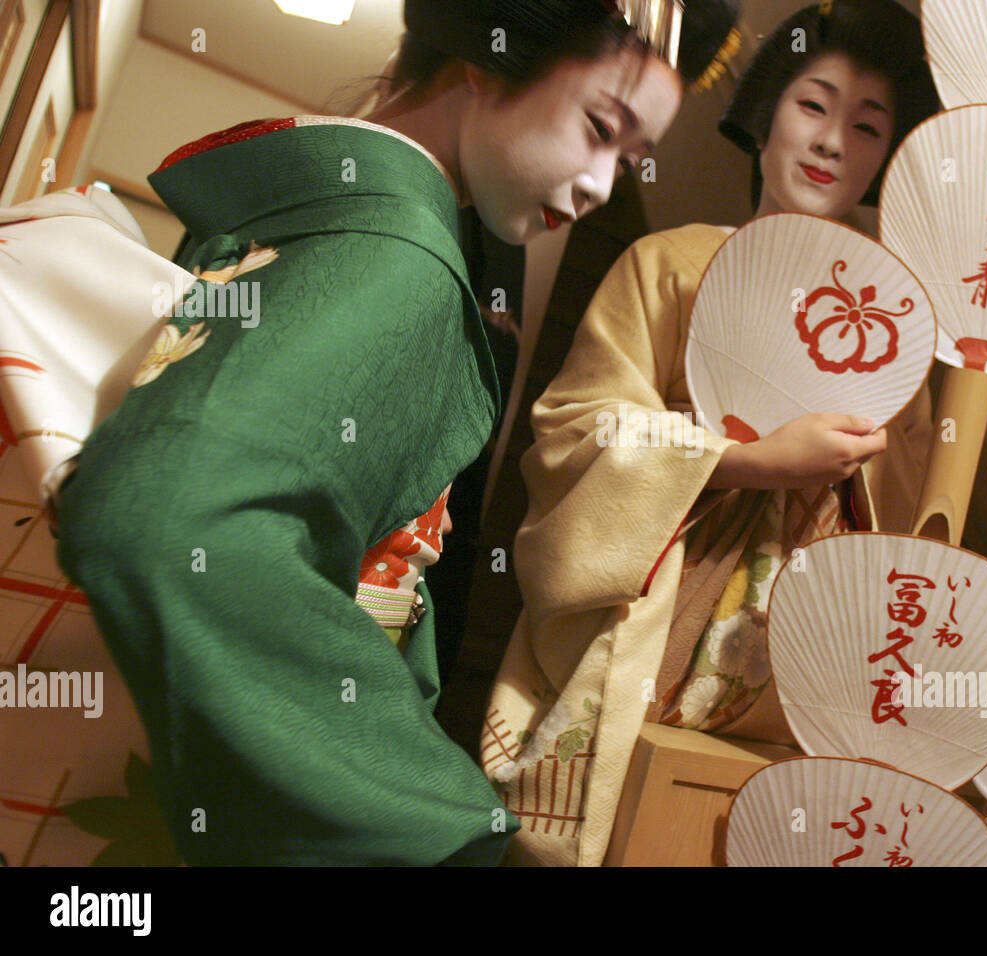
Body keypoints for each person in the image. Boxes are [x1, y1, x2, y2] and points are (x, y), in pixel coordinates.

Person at [50, 0, 742, 866]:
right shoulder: (398, 254)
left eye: (630, 157)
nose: (605, 184)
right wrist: (434, 822)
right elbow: (164, 518)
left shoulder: (309, 212)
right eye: (601, 128)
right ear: (486, 54)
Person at [480, 0, 941, 866]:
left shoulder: (899, 335)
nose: (831, 141)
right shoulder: (669, 263)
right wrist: (744, 460)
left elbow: (908, 529)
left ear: (886, 157)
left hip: (795, 664)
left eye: (867, 126)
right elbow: (576, 433)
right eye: (813, 105)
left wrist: (845, 475)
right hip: (644, 615)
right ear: (764, 115)